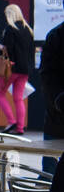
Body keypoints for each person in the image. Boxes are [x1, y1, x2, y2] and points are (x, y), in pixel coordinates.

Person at [0, 3, 34, 134]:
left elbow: (7, 49)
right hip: (24, 70)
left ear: (9, 15)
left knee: (0, 94)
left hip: (11, 68)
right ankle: (20, 128)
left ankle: (11, 121)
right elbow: (31, 51)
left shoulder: (10, 29)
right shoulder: (28, 30)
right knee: (18, 98)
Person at [41, 19, 64, 174]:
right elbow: (48, 77)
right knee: (49, 174)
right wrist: (59, 100)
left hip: (56, 118)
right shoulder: (56, 36)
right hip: (57, 120)